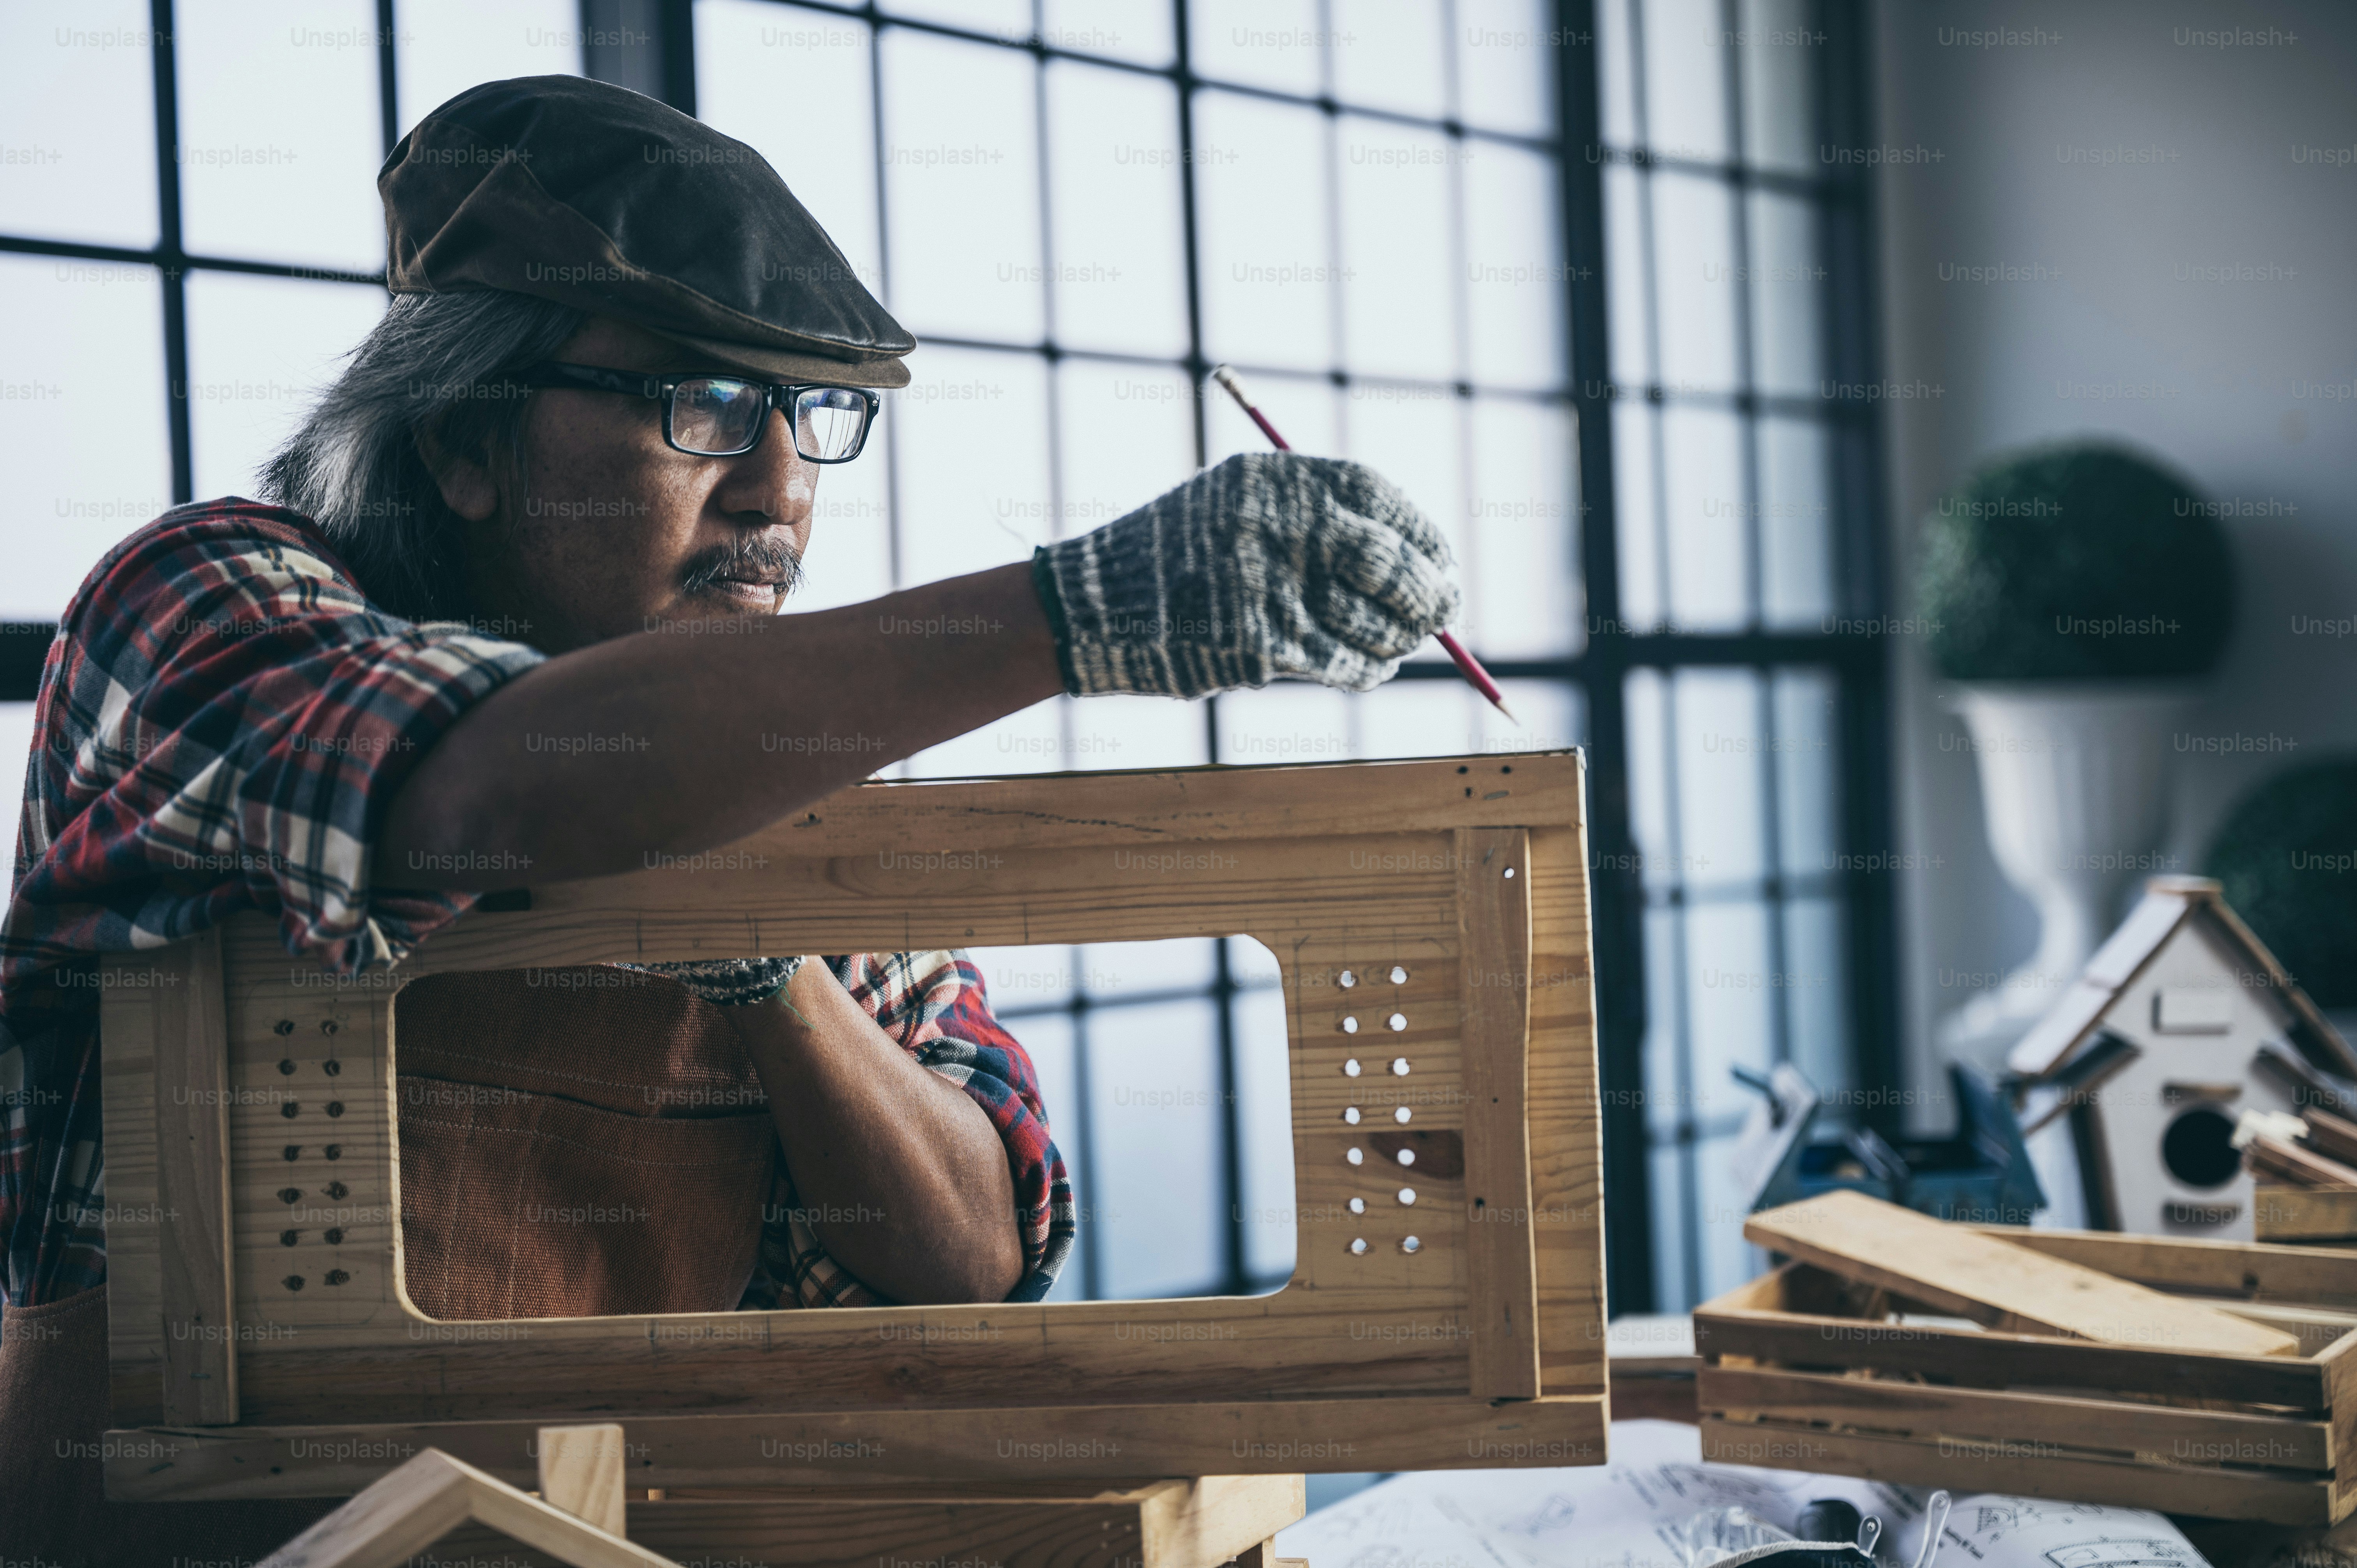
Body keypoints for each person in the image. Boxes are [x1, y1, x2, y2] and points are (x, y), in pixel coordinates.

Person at [0, 75, 1459, 1561]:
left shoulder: (784, 762)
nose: (779, 492)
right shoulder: (209, 605)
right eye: (699, 405)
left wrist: (775, 970)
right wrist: (1064, 617)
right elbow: (479, 780)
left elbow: (972, 1269)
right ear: (462, 441)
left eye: (809, 416)